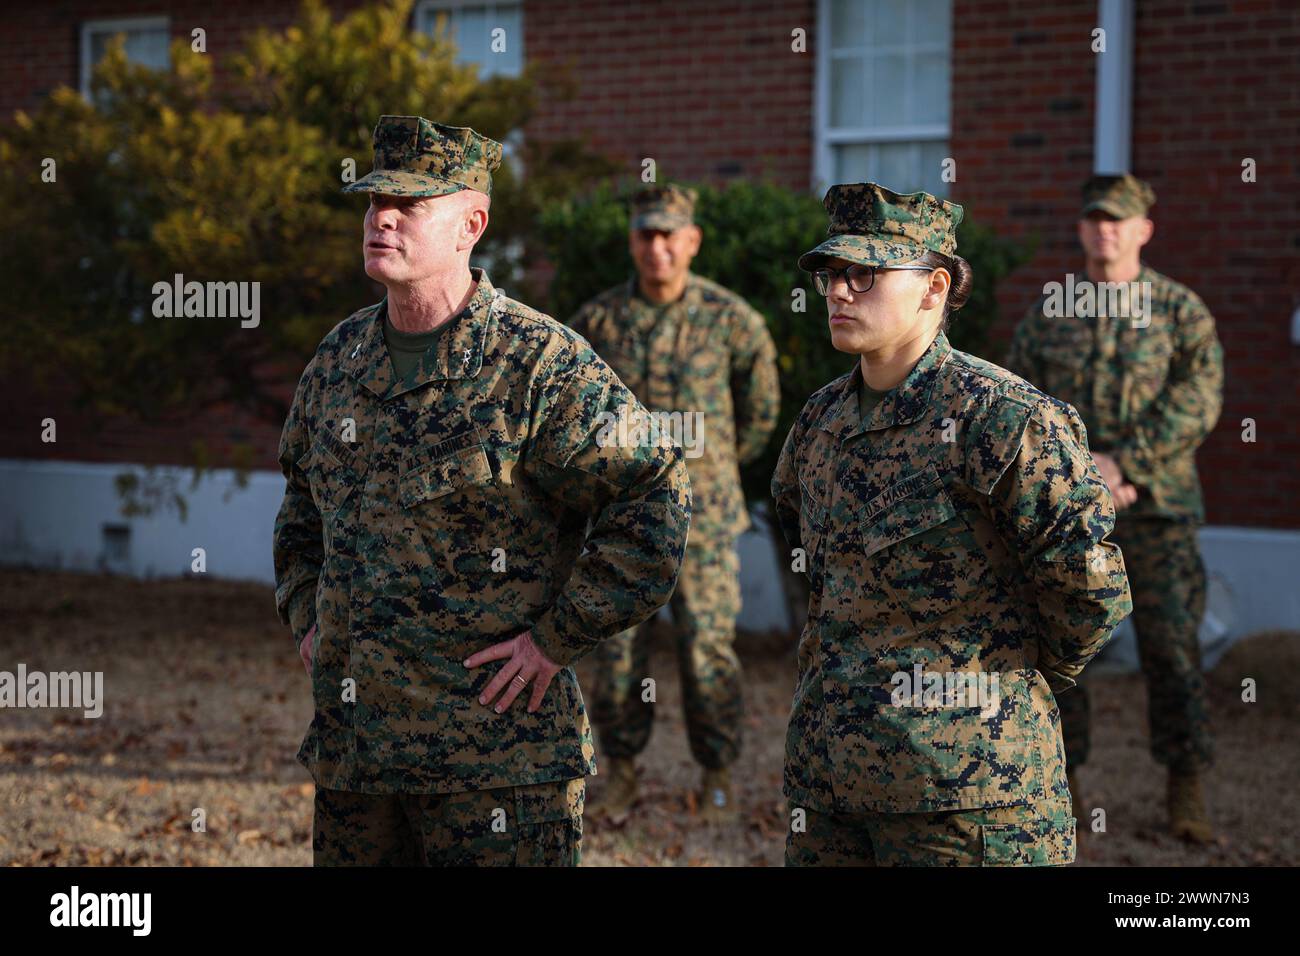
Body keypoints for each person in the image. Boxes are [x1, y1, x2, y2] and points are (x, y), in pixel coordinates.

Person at [272, 115, 691, 866]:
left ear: (472, 224)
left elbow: (654, 494)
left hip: (496, 769)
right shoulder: (340, 361)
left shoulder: (539, 365)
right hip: (356, 762)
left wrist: (555, 640)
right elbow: (302, 505)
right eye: (375, 202)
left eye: (409, 204)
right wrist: (309, 614)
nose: (382, 218)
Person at [770, 182, 1132, 866]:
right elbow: (813, 567)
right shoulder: (820, 420)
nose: (839, 291)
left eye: (865, 274)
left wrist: (1004, 692)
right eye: (831, 275)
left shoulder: (1003, 419)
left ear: (934, 288)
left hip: (966, 798)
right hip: (830, 788)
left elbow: (1089, 589)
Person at [1005, 173, 1224, 844]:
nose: (1106, 231)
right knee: (1063, 652)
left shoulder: (1180, 311)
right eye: (1096, 219)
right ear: (1082, 228)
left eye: (1119, 220)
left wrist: (1126, 464)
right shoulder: (1051, 312)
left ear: (1143, 230)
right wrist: (1080, 474)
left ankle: (1186, 785)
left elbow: (1199, 399)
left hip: (1155, 508)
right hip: (1069, 513)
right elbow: (1021, 403)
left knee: (1172, 650)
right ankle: (1063, 783)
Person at [567, 184, 780, 823]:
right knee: (618, 653)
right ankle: (622, 772)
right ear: (632, 241)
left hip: (704, 522)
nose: (657, 247)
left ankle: (716, 776)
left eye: (669, 235)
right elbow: (574, 411)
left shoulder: (730, 318)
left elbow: (761, 411)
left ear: (692, 241)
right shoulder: (597, 322)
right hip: (622, 520)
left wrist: (712, 468)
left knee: (707, 649)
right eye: (645, 234)